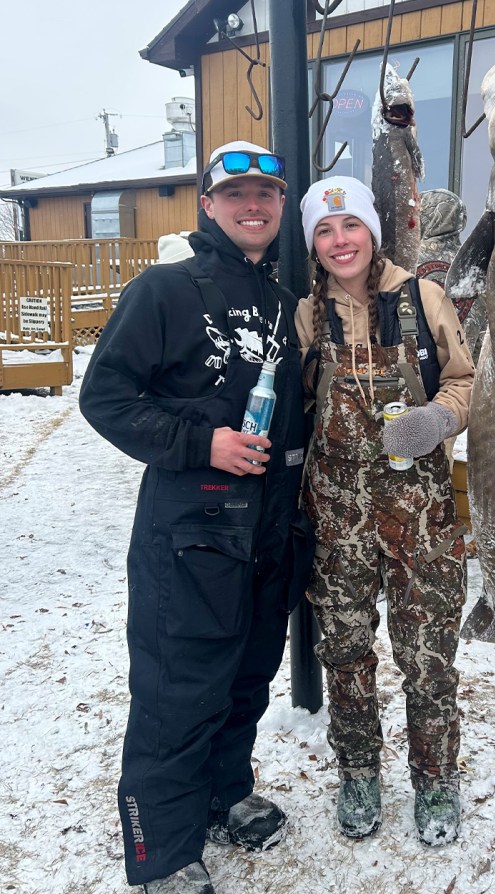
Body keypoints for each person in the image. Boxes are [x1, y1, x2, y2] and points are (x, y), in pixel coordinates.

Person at [80, 140, 313, 894]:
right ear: (208, 206)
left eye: (267, 197)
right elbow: (106, 397)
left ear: (280, 209)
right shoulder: (164, 290)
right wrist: (199, 441)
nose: (254, 206)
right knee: (180, 687)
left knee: (247, 676)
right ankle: (163, 854)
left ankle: (225, 792)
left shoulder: (281, 303)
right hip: (191, 532)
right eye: (237, 194)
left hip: (268, 529)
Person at [295, 175, 474, 846]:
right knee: (344, 652)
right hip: (339, 522)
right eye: (324, 230)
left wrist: (435, 418)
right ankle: (360, 773)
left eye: (350, 227)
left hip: (420, 518)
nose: (340, 241)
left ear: (372, 230)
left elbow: (465, 381)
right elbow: (304, 410)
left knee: (428, 656)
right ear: (314, 242)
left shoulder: (423, 296)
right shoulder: (309, 315)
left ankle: (434, 781)